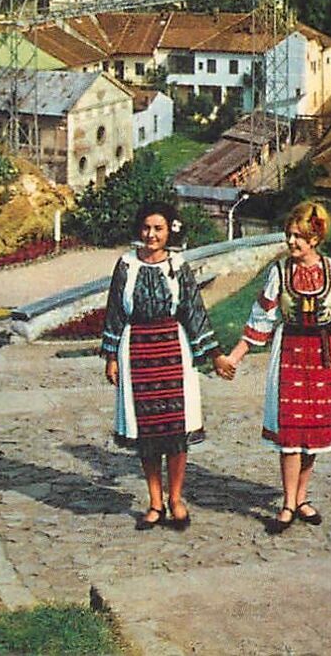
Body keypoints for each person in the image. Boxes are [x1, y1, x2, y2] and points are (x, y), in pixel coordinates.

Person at [221, 201, 331, 535]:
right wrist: (235, 356)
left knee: (313, 434)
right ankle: (286, 502)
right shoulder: (280, 272)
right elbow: (261, 320)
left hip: (324, 356)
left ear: (315, 238)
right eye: (289, 235)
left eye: (299, 236)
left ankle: (301, 497)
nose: (292, 242)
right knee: (290, 435)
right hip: (290, 355)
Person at [101, 202, 234, 531]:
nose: (151, 235)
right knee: (147, 432)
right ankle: (155, 501)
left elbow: (193, 309)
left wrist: (215, 354)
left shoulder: (179, 265)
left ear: (169, 231)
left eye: (158, 229)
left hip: (174, 350)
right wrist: (111, 355)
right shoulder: (126, 265)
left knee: (174, 431)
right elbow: (116, 310)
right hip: (138, 351)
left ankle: (176, 499)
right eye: (147, 228)